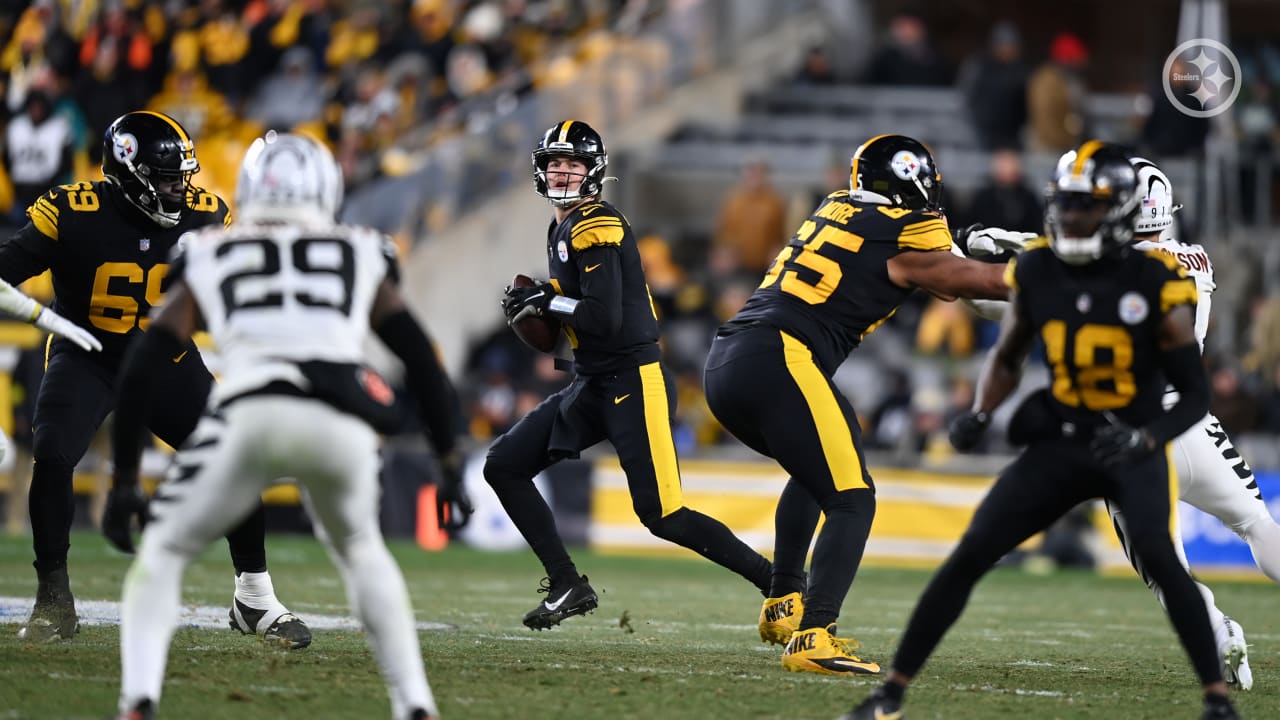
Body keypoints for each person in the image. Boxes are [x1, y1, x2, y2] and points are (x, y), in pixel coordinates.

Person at [847, 141, 1239, 720]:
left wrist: (1149, 438)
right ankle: (890, 695)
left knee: (1160, 556)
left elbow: (1196, 393)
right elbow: (1007, 356)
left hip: (1130, 441)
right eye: (1069, 204)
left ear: (1125, 211)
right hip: (1063, 438)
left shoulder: (1159, 280)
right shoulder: (1037, 267)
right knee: (972, 552)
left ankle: (1217, 702)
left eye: (1088, 206)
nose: (1073, 217)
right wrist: (981, 412)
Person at [105, 132, 464, 720]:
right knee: (361, 549)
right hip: (339, 421)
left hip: (247, 413)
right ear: (328, 189)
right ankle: (415, 704)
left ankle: (138, 701)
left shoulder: (209, 249)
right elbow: (423, 361)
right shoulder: (362, 249)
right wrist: (448, 459)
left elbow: (143, 364)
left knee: (165, 550)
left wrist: (124, 480)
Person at [703, 134, 1017, 675]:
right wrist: (1053, 273)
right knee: (852, 496)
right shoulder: (903, 236)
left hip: (729, 359)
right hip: (781, 357)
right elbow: (969, 281)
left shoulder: (837, 208)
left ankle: (783, 603)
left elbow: (922, 259)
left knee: (815, 472)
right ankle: (814, 635)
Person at [0, 110, 309, 647]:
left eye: (181, 178)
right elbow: (8, 265)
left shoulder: (206, 215)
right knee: (52, 455)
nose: (178, 190)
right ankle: (53, 599)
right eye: (166, 179)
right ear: (128, 174)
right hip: (85, 354)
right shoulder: (73, 211)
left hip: (164, 357)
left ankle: (254, 598)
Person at [490, 120, 773, 630]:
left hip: (632, 378)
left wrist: (546, 299)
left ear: (593, 171)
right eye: (555, 163)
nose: (562, 172)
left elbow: (603, 317)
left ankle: (778, 583)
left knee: (663, 514)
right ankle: (566, 583)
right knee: (503, 464)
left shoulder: (598, 222)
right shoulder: (561, 226)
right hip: (593, 379)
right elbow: (568, 323)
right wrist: (535, 311)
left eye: (573, 165)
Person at [1105, 157, 1280, 691]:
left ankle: (1215, 626)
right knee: (1257, 523)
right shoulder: (1194, 258)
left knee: (1163, 563)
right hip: (1193, 421)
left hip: (1134, 433)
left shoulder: (1110, 265)